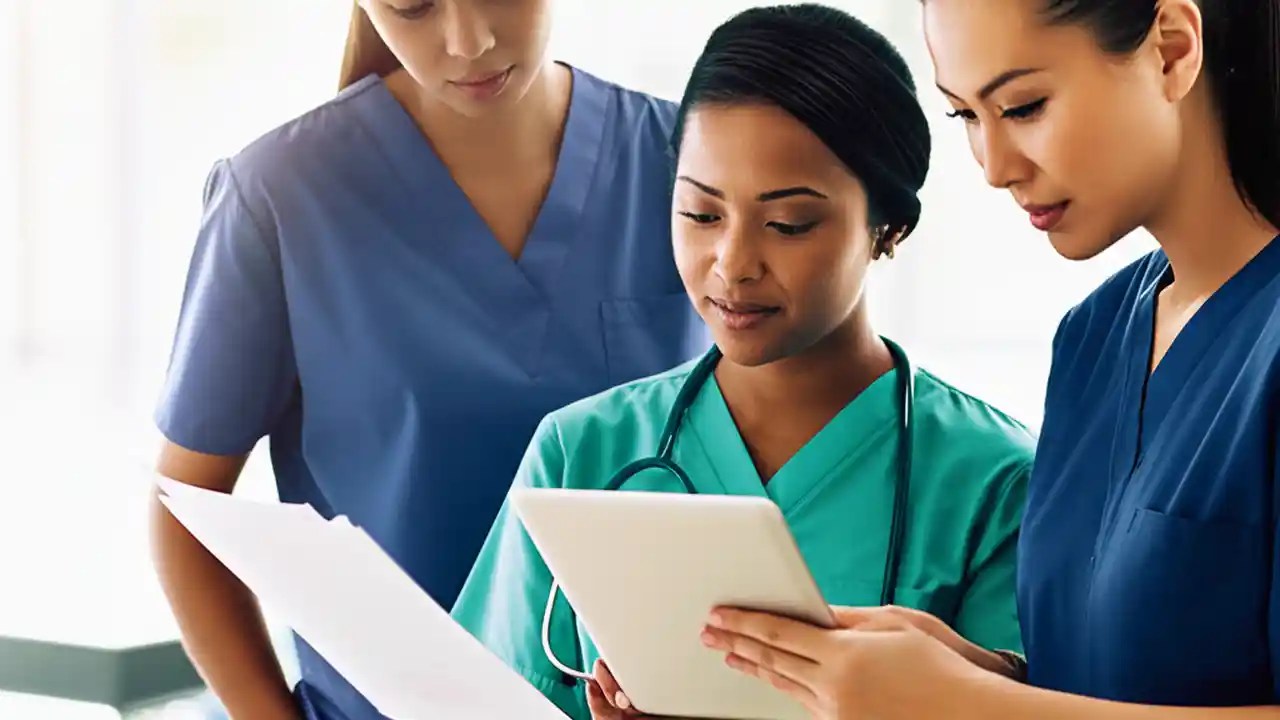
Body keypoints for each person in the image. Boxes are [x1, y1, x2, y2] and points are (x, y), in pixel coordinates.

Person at [449, 5, 1037, 719]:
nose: (731, 265)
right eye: (701, 214)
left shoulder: (995, 482)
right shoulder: (581, 454)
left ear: (889, 228)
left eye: (788, 224)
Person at [699, 0, 1280, 717]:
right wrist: (961, 672)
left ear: (1169, 49)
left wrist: (973, 708)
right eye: (966, 117)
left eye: (1024, 106)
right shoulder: (1094, 340)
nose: (994, 168)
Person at [148, 1, 707, 718]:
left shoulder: (684, 165)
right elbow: (184, 511)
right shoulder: (278, 197)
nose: (467, 42)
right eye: (412, 5)